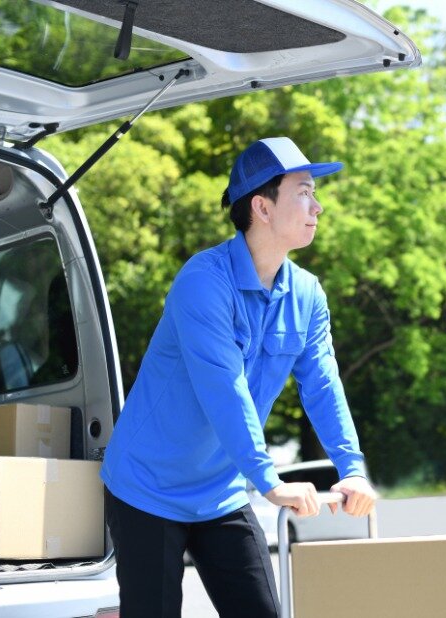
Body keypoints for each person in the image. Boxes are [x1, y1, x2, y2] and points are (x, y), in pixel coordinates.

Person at [100, 137, 376, 618]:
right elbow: (223, 390)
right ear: (261, 207)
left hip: (220, 492)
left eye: (314, 194)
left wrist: (351, 468)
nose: (318, 207)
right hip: (148, 486)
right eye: (304, 193)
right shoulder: (203, 282)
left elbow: (323, 384)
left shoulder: (307, 294)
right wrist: (270, 481)